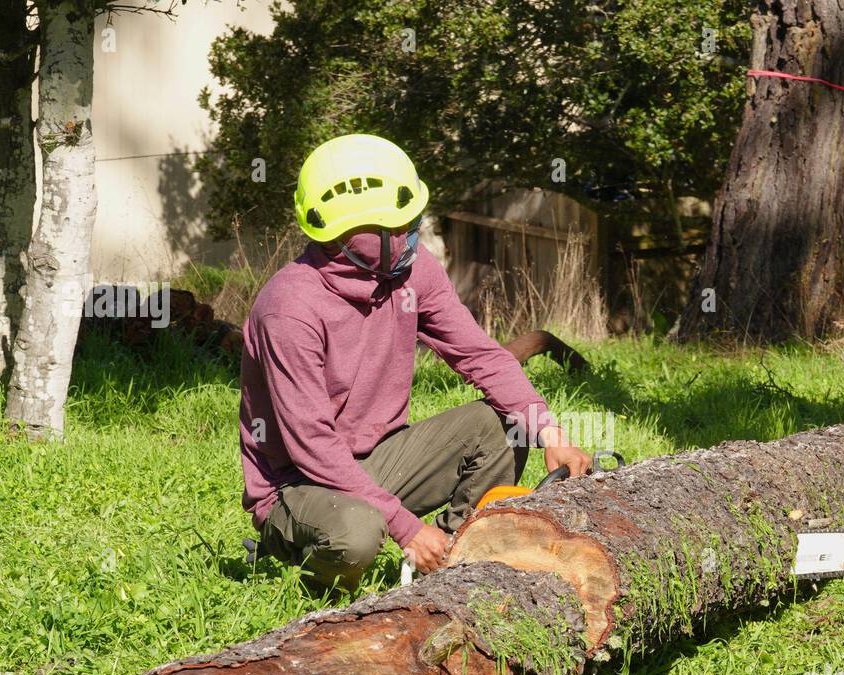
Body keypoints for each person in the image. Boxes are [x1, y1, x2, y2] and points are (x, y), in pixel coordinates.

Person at [239, 134, 591, 591]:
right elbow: (312, 446)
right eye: (398, 227)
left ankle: (453, 562)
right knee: (357, 533)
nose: (412, 235)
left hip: (379, 460)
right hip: (301, 486)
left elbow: (478, 354)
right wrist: (406, 528)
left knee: (505, 424)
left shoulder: (411, 270)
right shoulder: (289, 309)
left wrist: (549, 430)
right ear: (349, 235)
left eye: (412, 222)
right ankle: (320, 592)